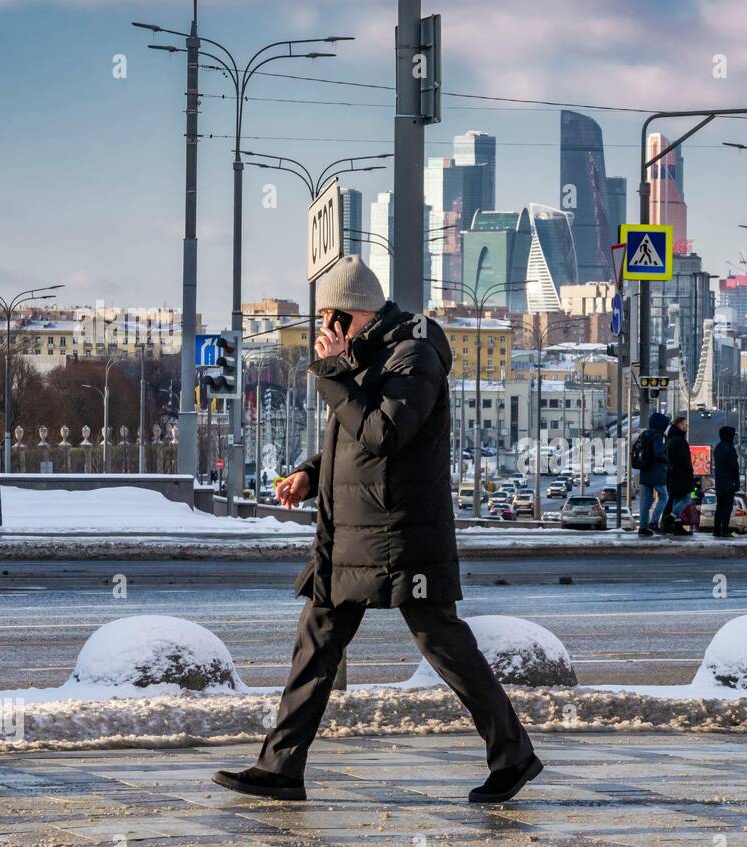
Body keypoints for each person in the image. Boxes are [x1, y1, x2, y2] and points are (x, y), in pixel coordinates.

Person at [213, 256, 541, 804]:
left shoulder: (414, 355)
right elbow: (351, 439)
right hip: (352, 533)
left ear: (350, 315)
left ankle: (512, 755)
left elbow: (384, 433)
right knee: (316, 642)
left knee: (443, 642)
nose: (322, 332)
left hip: (402, 533)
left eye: (328, 319)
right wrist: (310, 474)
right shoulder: (371, 355)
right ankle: (280, 767)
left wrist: (335, 373)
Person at [636, 411, 670, 537]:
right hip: (656, 472)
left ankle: (643, 527)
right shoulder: (657, 436)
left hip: (644, 472)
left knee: (647, 501)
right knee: (664, 496)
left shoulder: (645, 434)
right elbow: (658, 453)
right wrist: (667, 459)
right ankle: (654, 522)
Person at [662, 414, 695, 536]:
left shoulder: (671, 439)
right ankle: (670, 519)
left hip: (673, 476)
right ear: (678, 425)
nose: (686, 426)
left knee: (677, 500)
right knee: (686, 498)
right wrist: (690, 473)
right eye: (684, 424)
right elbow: (684, 461)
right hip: (681, 476)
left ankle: (676, 526)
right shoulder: (679, 441)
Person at [712, 425, 739, 537]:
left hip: (719, 482)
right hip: (729, 482)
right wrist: (736, 481)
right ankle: (724, 530)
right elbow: (734, 467)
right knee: (727, 507)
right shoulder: (730, 448)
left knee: (719, 507)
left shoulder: (718, 447)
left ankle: (717, 530)